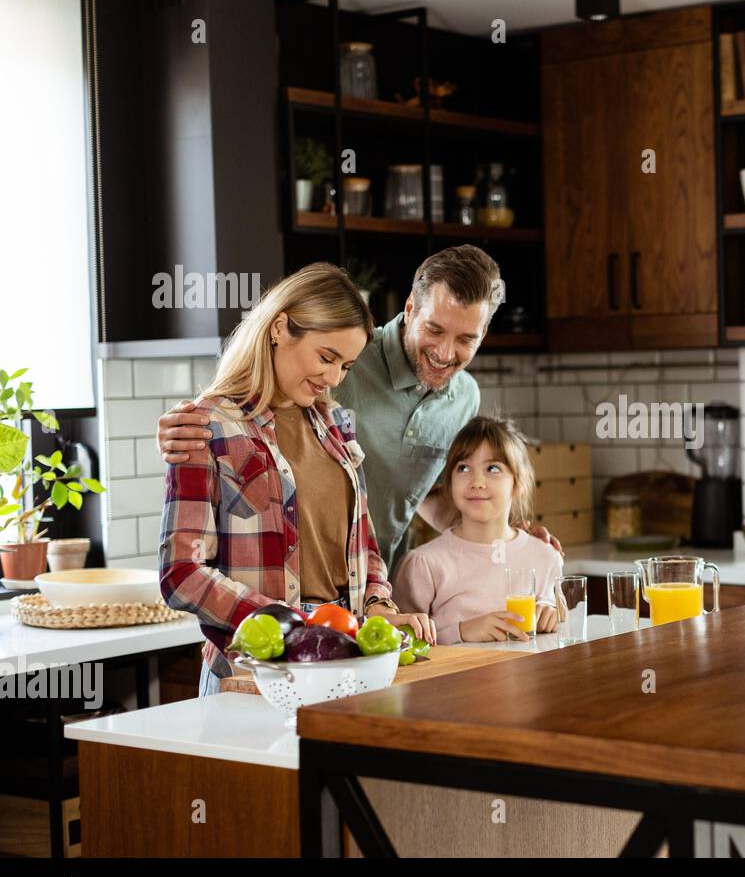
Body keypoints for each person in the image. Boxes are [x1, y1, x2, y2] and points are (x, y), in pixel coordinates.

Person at [155, 245, 561, 573]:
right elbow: (251, 412)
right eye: (434, 330)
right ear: (410, 308)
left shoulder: (465, 397)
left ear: (484, 333)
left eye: (465, 339)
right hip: (290, 589)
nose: (444, 353)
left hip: (375, 587)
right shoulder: (343, 362)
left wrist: (504, 535)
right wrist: (197, 425)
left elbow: (425, 496)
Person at [157, 263, 433, 696]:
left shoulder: (337, 426)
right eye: (326, 357)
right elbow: (181, 573)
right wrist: (291, 625)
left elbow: (364, 544)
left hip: (344, 656)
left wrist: (378, 604)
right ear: (280, 328)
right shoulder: (205, 426)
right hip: (255, 673)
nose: (333, 378)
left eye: (346, 366)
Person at [391, 415, 563, 644]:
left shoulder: (545, 556)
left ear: (519, 484)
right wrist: (460, 632)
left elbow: (561, 626)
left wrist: (551, 612)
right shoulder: (423, 564)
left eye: (493, 468)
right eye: (463, 468)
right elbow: (402, 642)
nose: (477, 482)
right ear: (449, 483)